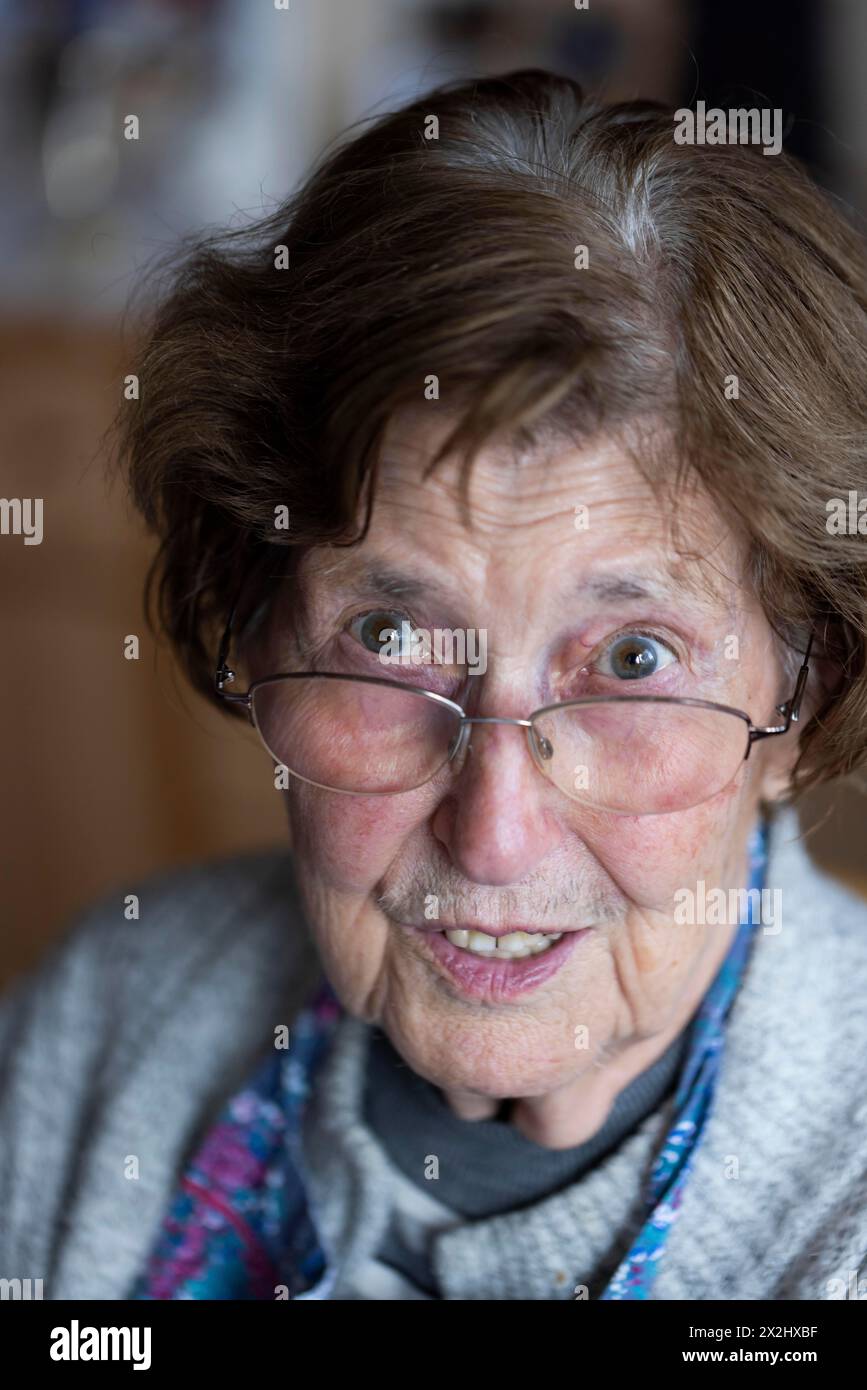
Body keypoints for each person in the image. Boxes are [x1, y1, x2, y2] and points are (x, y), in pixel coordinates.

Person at [2, 69, 866, 1301]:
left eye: (634, 659)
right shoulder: (113, 1017)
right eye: (391, 638)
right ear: (255, 638)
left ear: (804, 696)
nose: (496, 834)